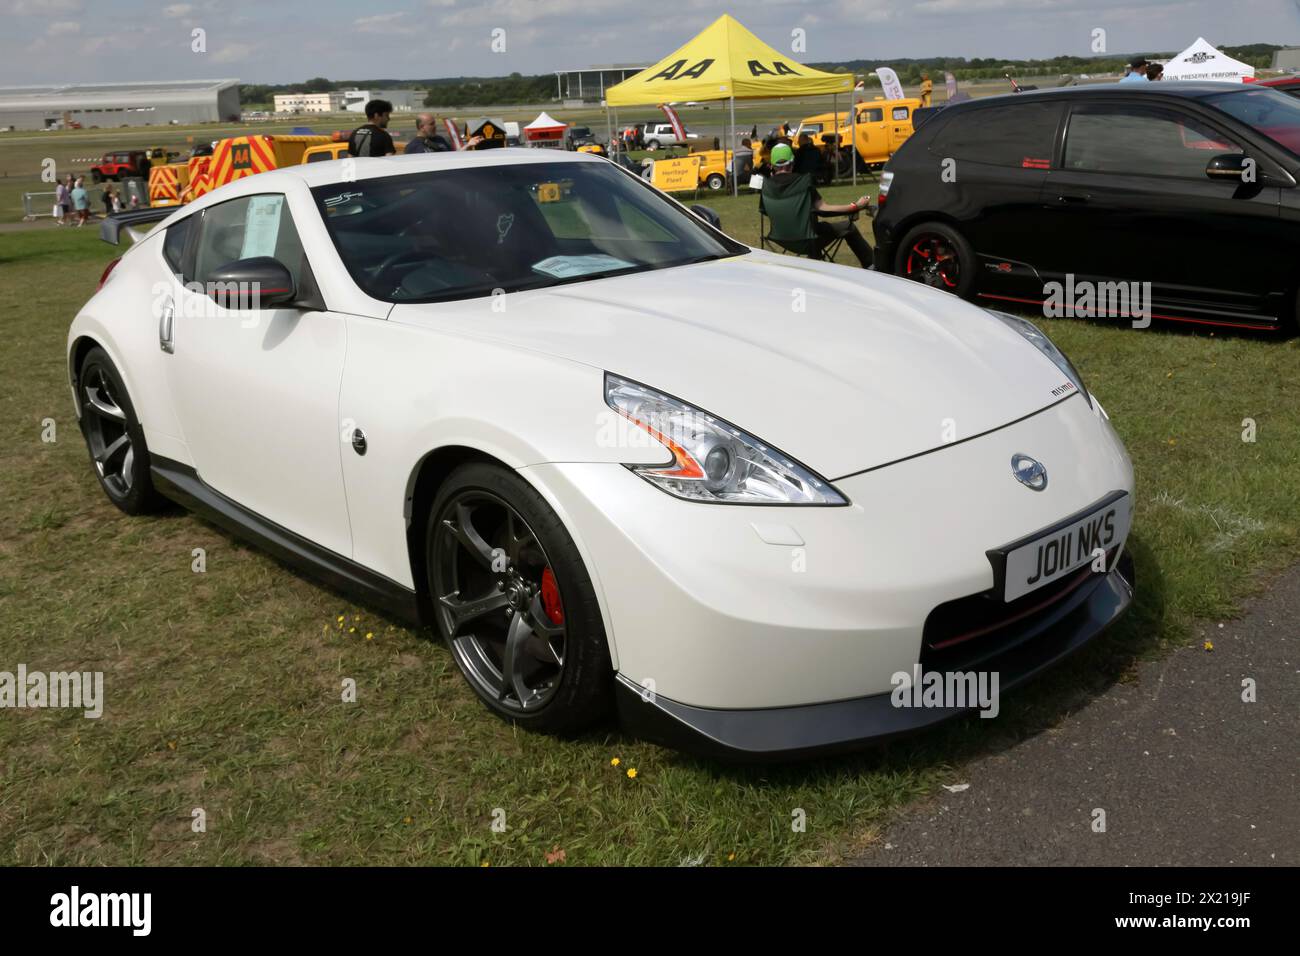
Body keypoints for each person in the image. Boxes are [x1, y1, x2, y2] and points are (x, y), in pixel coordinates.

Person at [769, 142, 873, 267]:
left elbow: (766, 211)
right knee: (849, 227)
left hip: (781, 239)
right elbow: (824, 210)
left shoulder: (767, 187)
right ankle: (872, 265)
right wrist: (856, 206)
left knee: (812, 222)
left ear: (772, 165)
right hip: (807, 241)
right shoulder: (802, 183)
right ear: (792, 162)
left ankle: (815, 257)